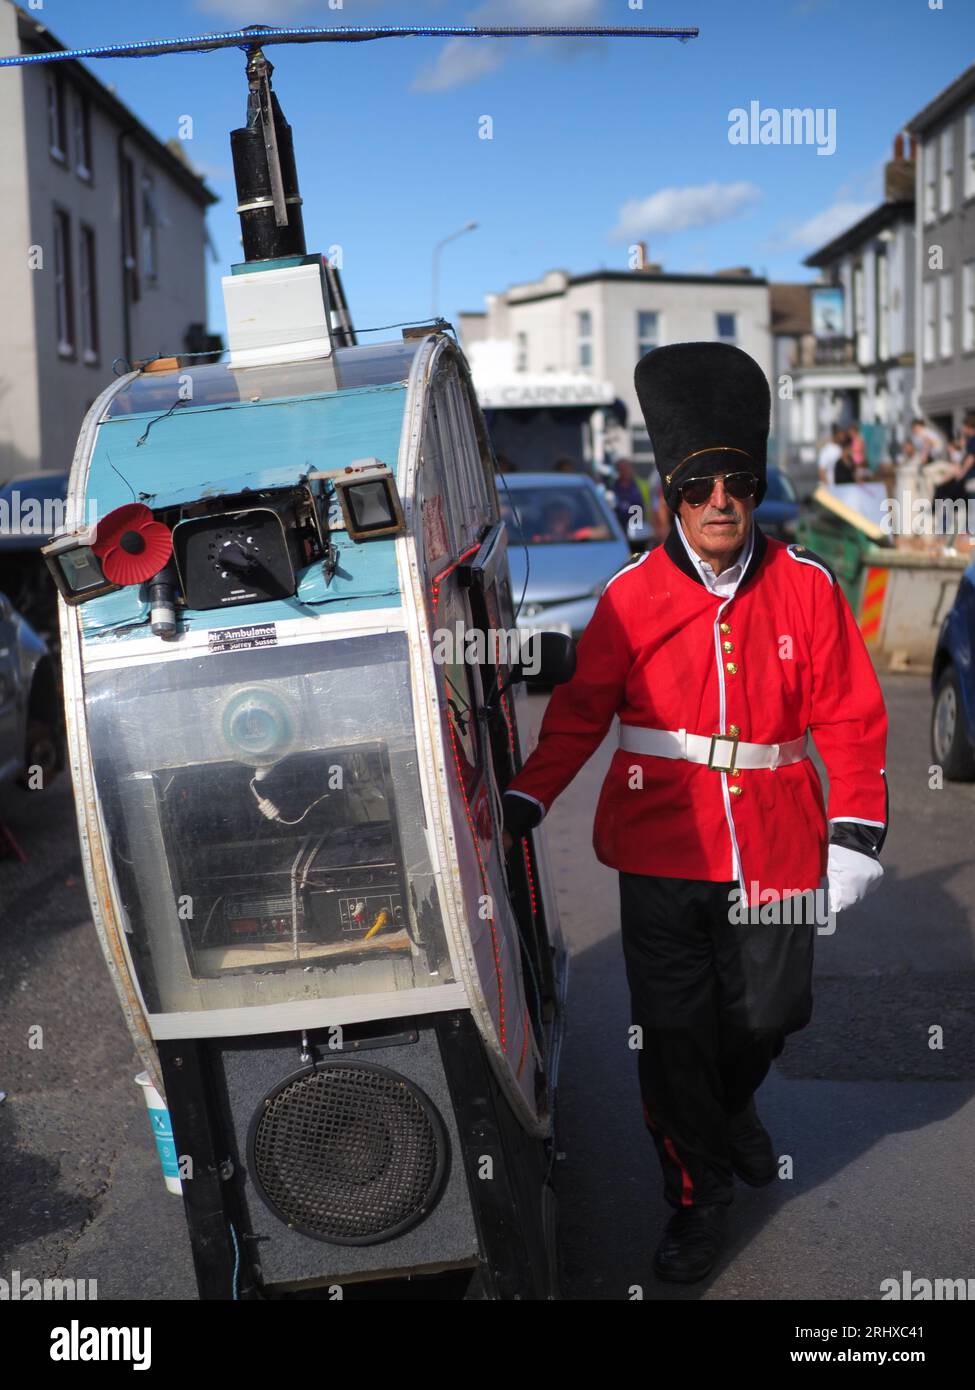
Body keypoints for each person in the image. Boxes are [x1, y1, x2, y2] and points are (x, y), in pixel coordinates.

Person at [500, 342, 888, 1283]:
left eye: (739, 483)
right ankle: (696, 1196)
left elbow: (849, 713)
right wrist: (526, 793)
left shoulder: (806, 587)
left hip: (782, 851)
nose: (721, 500)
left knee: (766, 1019)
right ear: (670, 494)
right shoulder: (628, 598)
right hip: (662, 854)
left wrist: (853, 831)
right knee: (674, 1037)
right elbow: (582, 714)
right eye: (700, 483)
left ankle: (728, 1110)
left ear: (755, 491)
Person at [611, 458, 651, 536]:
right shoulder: (612, 488)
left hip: (640, 531)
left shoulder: (642, 486)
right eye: (622, 469)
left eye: (627, 468)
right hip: (619, 532)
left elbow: (650, 507)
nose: (625, 471)